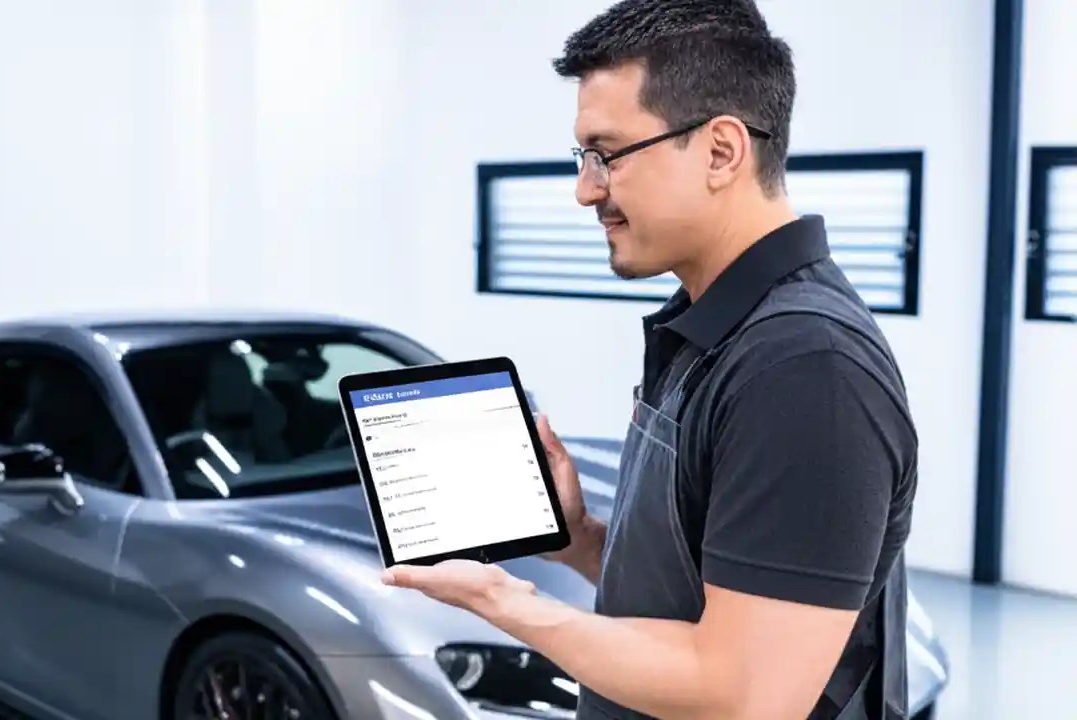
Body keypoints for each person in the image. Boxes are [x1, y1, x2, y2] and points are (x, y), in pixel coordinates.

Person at [382, 1, 919, 718]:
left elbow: (744, 697)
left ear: (722, 151)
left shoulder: (805, 367)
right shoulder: (712, 328)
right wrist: (583, 542)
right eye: (583, 157)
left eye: (606, 154)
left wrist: (510, 604)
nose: (585, 190)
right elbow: (697, 601)